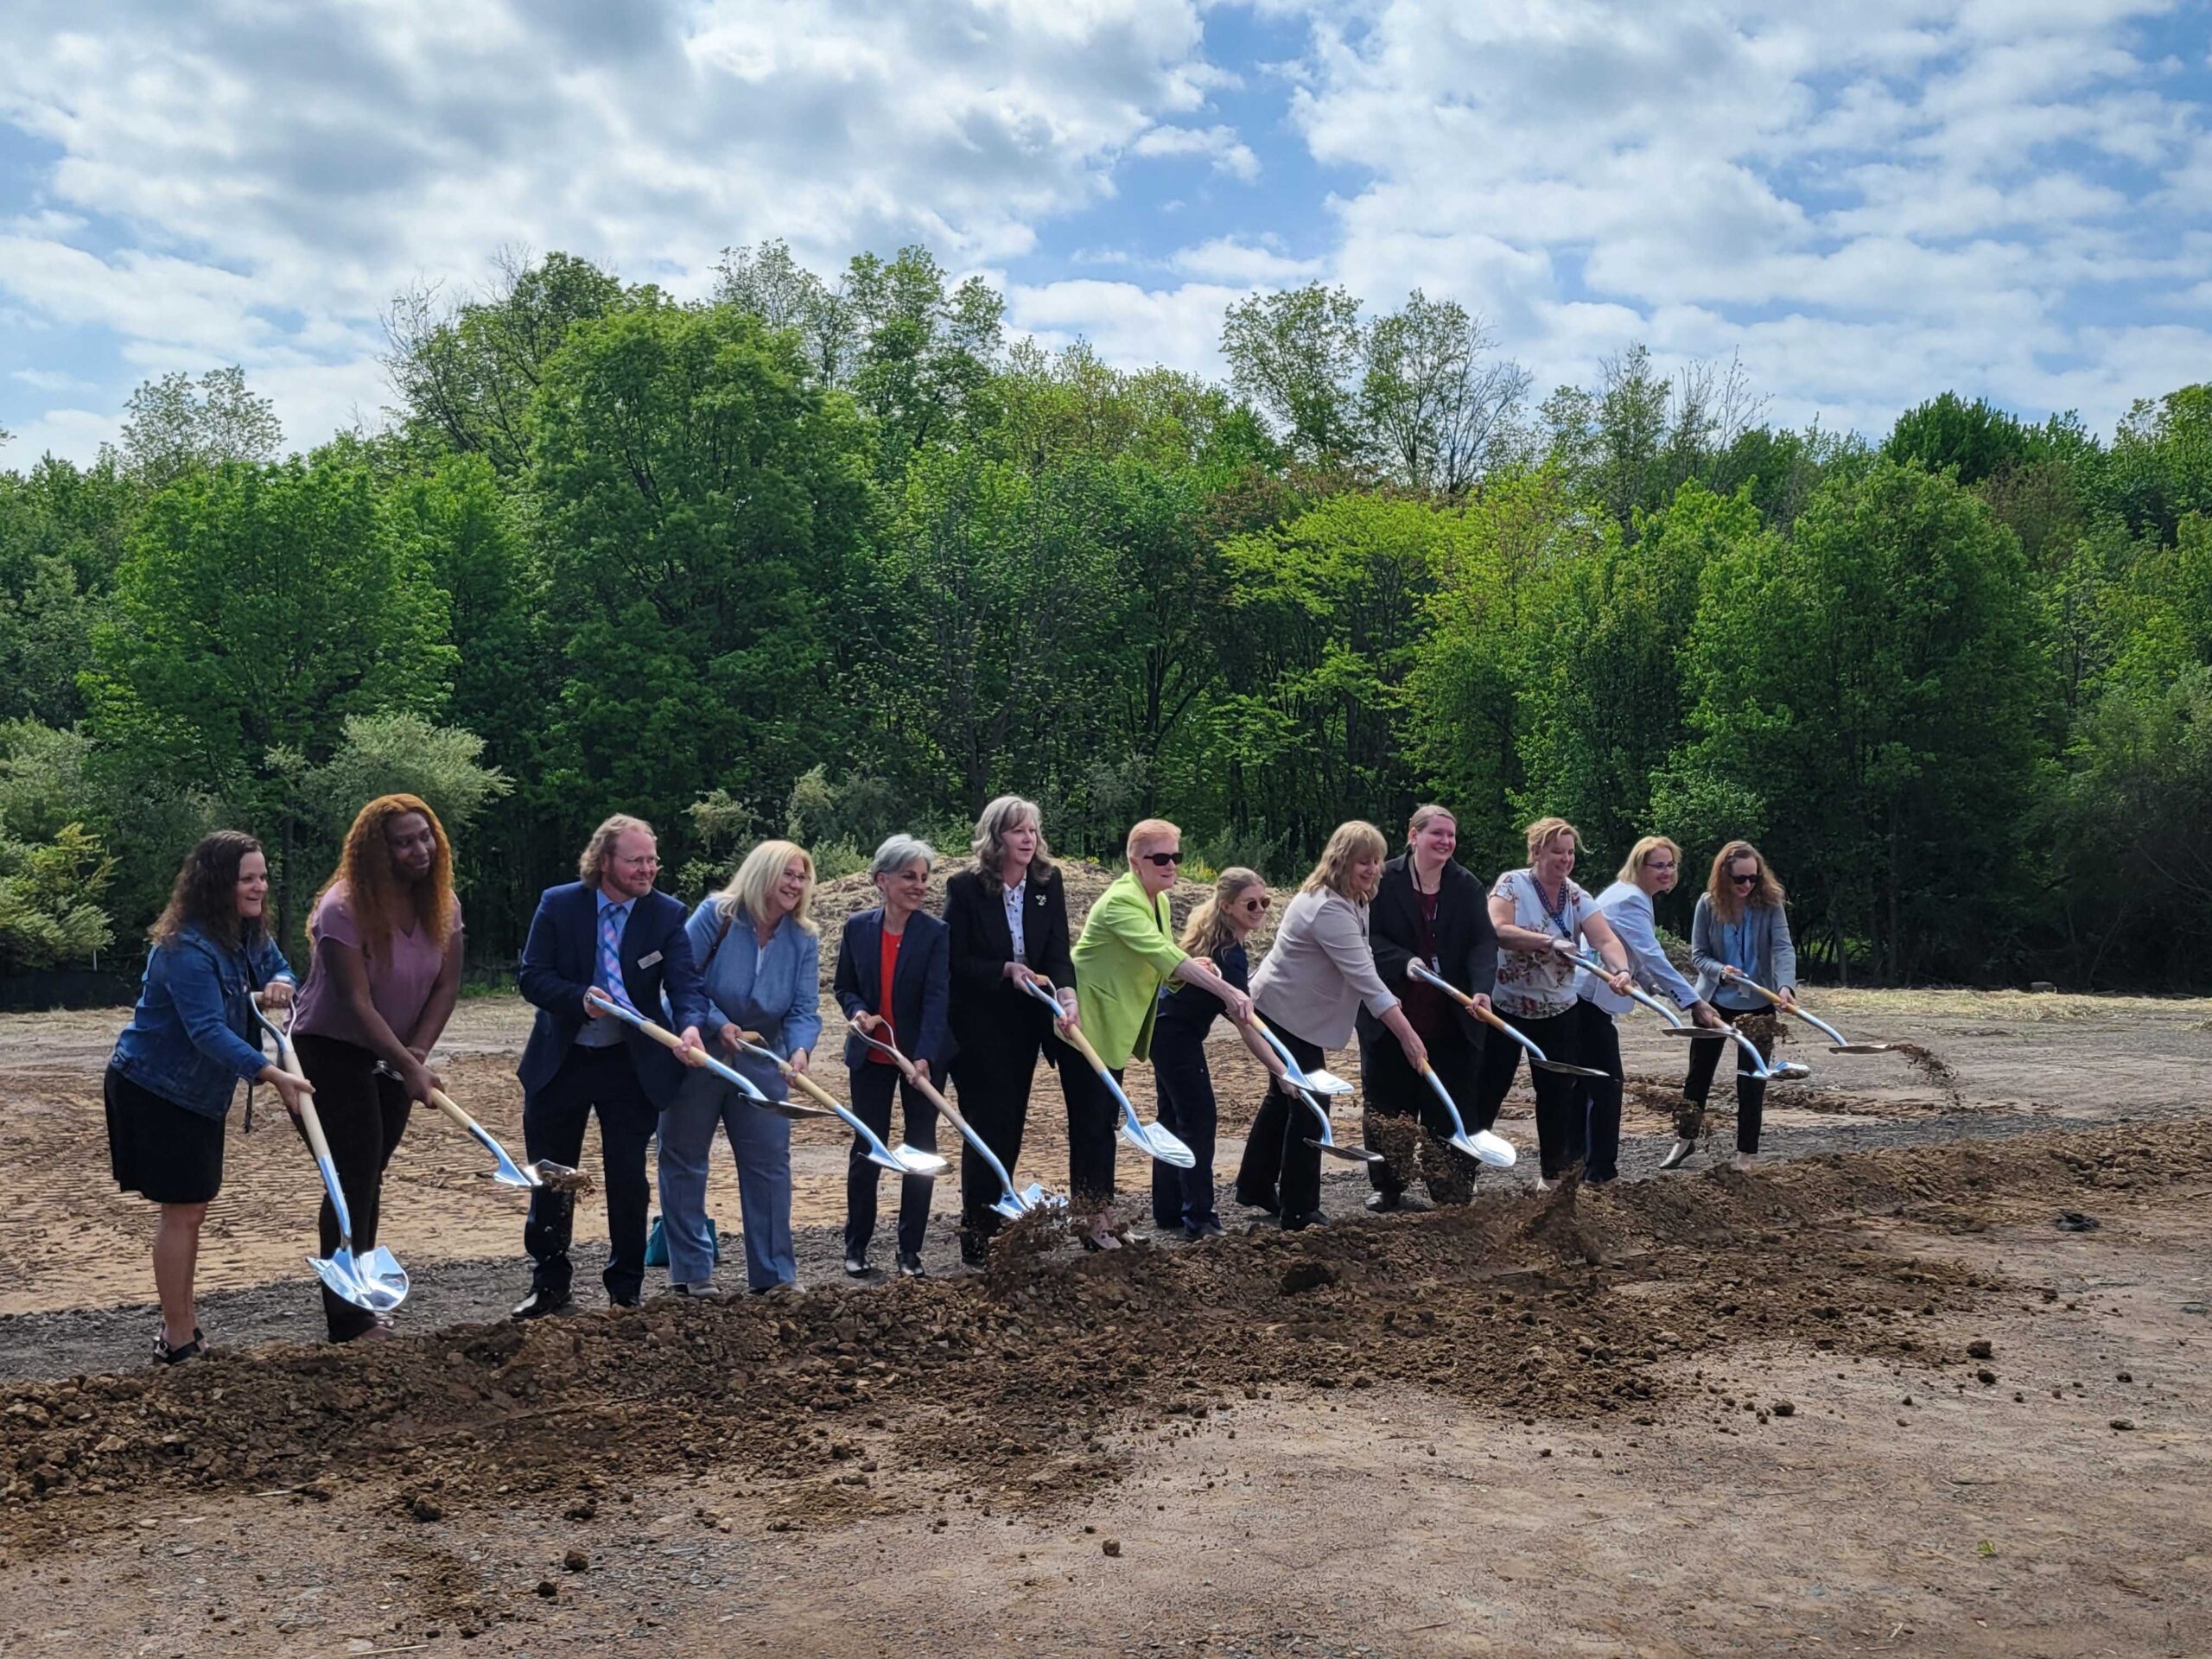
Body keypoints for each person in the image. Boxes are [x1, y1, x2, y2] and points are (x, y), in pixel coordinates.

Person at [105, 831, 314, 1363]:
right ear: (217, 883)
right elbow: (207, 1031)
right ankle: (178, 1339)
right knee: (183, 1211)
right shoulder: (184, 949)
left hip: (200, 1093)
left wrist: (282, 983)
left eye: (263, 877)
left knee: (192, 1208)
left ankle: (181, 1327)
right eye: (247, 879)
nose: (259, 887)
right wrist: (272, 1074)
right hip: (156, 1088)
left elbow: (280, 967)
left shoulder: (247, 933)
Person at [513, 814, 709, 1318]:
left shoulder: (666, 914)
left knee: (627, 1176)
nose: (647, 870)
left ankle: (626, 1288)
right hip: (563, 1060)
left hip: (631, 1063)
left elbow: (686, 985)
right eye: (635, 860)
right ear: (604, 862)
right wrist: (580, 998)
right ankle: (550, 1283)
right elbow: (532, 977)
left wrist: (690, 1027)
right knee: (552, 1176)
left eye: (652, 860)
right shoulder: (559, 905)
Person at [289, 795, 464, 1341]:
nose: (420, 850)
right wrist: (407, 1066)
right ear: (376, 852)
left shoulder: (442, 904)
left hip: (396, 1052)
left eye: (425, 837)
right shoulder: (342, 908)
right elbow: (355, 1003)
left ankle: (360, 1297)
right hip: (327, 1049)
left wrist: (417, 1055)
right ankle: (347, 1320)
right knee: (352, 1174)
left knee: (369, 1175)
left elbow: (447, 985)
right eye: (404, 842)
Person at [1067, 818, 1257, 1249]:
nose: (1171, 865)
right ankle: (1094, 1226)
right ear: (1135, 862)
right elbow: (1163, 954)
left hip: (1117, 1029)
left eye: (1176, 856)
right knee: (1094, 1128)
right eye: (1161, 858)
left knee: (1105, 1123)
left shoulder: (1160, 902)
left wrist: (1191, 970)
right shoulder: (1121, 901)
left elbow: (1162, 963)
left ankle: (1104, 1219)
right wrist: (1227, 989)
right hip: (1089, 1026)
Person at [1234, 821, 1427, 1230]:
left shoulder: (1352, 897)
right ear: (1341, 861)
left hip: (1295, 1011)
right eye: (1363, 862)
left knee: (1284, 1097)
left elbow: (1363, 964)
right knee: (1311, 1101)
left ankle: (1255, 1185)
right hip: (1284, 1011)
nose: (1373, 869)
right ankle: (1299, 1209)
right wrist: (1408, 1035)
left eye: (1377, 861)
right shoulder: (1327, 908)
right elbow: (1365, 978)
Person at [658, 839, 822, 1297]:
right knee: (685, 1157)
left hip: (763, 1060)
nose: (795, 884)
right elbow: (681, 981)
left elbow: (804, 1008)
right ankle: (692, 1273)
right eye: (787, 874)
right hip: (699, 1054)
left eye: (802, 876)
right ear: (762, 873)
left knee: (769, 1165)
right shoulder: (717, 915)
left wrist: (800, 1051)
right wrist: (717, 1023)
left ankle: (774, 1276)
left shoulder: (804, 937)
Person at [944, 796, 1079, 1268]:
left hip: (1027, 1020)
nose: (1029, 839)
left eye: (1033, 830)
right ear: (996, 837)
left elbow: (1058, 949)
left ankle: (997, 1224)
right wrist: (1003, 969)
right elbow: (954, 959)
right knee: (987, 1123)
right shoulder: (965, 887)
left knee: (1012, 1123)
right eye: (1018, 830)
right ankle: (977, 1236)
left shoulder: (1047, 882)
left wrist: (1067, 997)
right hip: (978, 1021)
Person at [1477, 817, 1634, 1191]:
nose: (1565, 859)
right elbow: (1498, 929)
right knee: (1488, 1089)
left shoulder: (1576, 896)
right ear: (1536, 852)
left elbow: (1605, 939)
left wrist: (1621, 970)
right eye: (1557, 852)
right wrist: (1548, 942)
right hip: (1506, 1008)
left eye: (1570, 853)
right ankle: (1462, 1172)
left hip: (1558, 1012)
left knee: (1558, 1096)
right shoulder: (1512, 884)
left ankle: (1552, 1179)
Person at [1358, 804, 1498, 1212]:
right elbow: (1365, 937)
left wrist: (1482, 990)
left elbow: (1483, 943)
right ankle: (1389, 1187)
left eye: (1451, 835)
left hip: (1450, 1021)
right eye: (1437, 833)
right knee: (1389, 1103)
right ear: (1413, 835)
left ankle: (1450, 1188)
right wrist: (1403, 961)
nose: (1446, 842)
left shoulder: (1467, 886)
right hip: (1392, 1016)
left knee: (1451, 1105)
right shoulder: (1384, 880)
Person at [1571, 836, 1724, 1184]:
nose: (1667, 872)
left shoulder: (1630, 895)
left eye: (1671, 865)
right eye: (1658, 866)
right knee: (1606, 1084)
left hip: (1586, 998)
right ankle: (1599, 1173)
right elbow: (1653, 955)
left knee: (1586, 1085)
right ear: (1640, 867)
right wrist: (1694, 1003)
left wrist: (1654, 987)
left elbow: (1636, 956)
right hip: (1588, 999)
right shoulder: (1630, 899)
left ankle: (1575, 1168)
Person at [834, 835, 954, 1278]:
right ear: (881, 880)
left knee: (920, 1150)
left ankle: (909, 1252)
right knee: (869, 1147)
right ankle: (856, 1246)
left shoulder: (935, 933)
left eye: (923, 877)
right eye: (909, 876)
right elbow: (844, 986)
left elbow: (938, 999)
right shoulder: (857, 928)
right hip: (871, 1056)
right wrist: (858, 1012)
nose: (919, 885)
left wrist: (924, 1057)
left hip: (921, 1060)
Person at [1149, 868, 1276, 1240]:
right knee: (1198, 1121)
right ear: (1227, 906)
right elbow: (1245, 1024)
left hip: (1164, 1031)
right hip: (1176, 1036)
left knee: (1172, 1118)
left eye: (1265, 901)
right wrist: (1280, 1070)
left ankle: (1169, 1209)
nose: (1260, 909)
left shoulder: (1217, 941)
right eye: (1250, 904)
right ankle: (1199, 1217)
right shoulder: (1229, 954)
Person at [1664, 839, 1798, 1173]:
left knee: (1752, 1079)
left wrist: (1785, 986)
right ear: (1724, 875)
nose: (1747, 885)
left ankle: (1745, 1155)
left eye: (1753, 877)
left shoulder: (1771, 903)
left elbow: (1783, 948)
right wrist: (1720, 971)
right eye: (1740, 879)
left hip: (1759, 1004)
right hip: (1714, 1004)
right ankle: (1685, 1139)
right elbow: (1699, 955)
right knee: (1698, 1077)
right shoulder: (1707, 904)